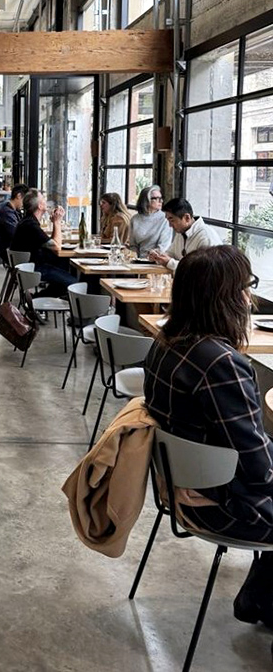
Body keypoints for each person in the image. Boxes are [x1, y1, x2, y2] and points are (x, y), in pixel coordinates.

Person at [144, 246, 273, 627]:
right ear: (225, 297)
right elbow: (260, 472)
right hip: (222, 505)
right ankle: (260, 600)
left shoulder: (165, 344)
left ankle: (260, 599)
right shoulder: (221, 363)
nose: (249, 296)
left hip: (189, 489)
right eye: (245, 286)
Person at [10, 189, 76, 296]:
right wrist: (57, 222)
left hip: (29, 265)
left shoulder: (28, 221)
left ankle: (37, 298)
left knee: (63, 263)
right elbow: (57, 246)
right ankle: (37, 299)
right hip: (33, 268)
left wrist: (55, 223)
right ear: (40, 206)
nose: (47, 202)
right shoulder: (31, 225)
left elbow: (53, 244)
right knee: (73, 283)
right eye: (44, 200)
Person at [148, 197, 222, 272]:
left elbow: (201, 271)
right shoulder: (181, 233)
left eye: (172, 220)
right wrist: (158, 256)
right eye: (168, 220)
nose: (170, 225)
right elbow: (171, 254)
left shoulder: (206, 236)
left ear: (187, 218)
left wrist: (170, 263)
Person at [128, 185, 172, 258]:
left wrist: (150, 256)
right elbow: (133, 245)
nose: (161, 201)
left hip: (157, 259)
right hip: (138, 260)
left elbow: (164, 246)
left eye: (161, 198)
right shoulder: (135, 219)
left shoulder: (165, 218)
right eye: (156, 198)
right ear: (146, 200)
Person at [0, 183, 28, 262]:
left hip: (11, 248)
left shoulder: (11, 211)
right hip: (10, 251)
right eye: (25, 199)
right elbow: (16, 235)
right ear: (19, 196)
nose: (25, 203)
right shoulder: (7, 213)